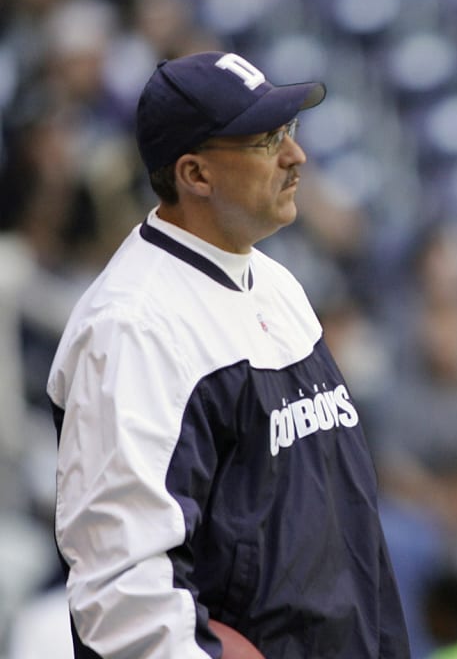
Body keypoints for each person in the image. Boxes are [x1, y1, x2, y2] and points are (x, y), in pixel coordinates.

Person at [46, 51, 410, 658]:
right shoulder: (131, 329)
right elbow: (122, 592)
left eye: (288, 132)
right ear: (195, 173)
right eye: (267, 141)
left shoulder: (274, 282)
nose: (296, 157)